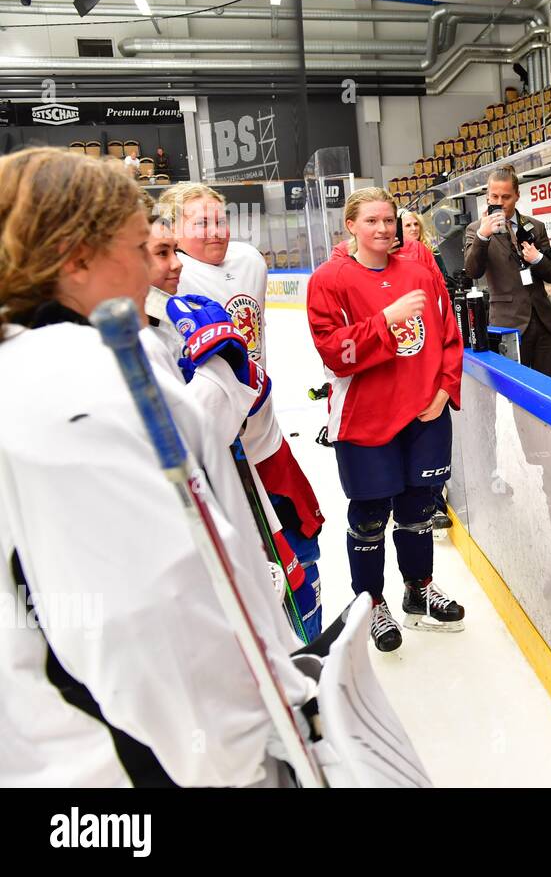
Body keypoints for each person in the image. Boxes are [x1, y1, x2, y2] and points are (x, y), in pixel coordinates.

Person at [0, 147, 313, 785]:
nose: (154, 266)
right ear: (77, 256)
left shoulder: (44, 365)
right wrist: (254, 749)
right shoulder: (76, 384)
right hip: (153, 760)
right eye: (140, 246)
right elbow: (154, 610)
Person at [161, 182, 325, 640]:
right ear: (173, 231)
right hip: (220, 465)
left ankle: (312, 651)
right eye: (200, 223)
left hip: (267, 444)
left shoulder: (250, 260)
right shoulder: (167, 286)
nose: (215, 232)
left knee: (303, 553)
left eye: (220, 220)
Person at [307, 187, 465, 653]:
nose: (383, 229)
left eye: (389, 220)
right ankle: (371, 603)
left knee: (420, 507)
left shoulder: (420, 272)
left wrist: (444, 390)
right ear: (350, 226)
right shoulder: (329, 280)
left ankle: (419, 588)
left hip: (425, 415)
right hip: (367, 421)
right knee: (371, 514)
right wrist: (387, 319)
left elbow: (449, 336)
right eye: (372, 221)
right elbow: (336, 354)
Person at [463, 166, 551, 378]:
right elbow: (473, 270)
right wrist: (483, 236)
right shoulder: (476, 229)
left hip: (544, 324)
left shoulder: (535, 226)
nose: (500, 202)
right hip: (508, 326)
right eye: (494, 196)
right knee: (513, 392)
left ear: (517, 195)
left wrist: (537, 259)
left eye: (506, 197)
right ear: (487, 197)